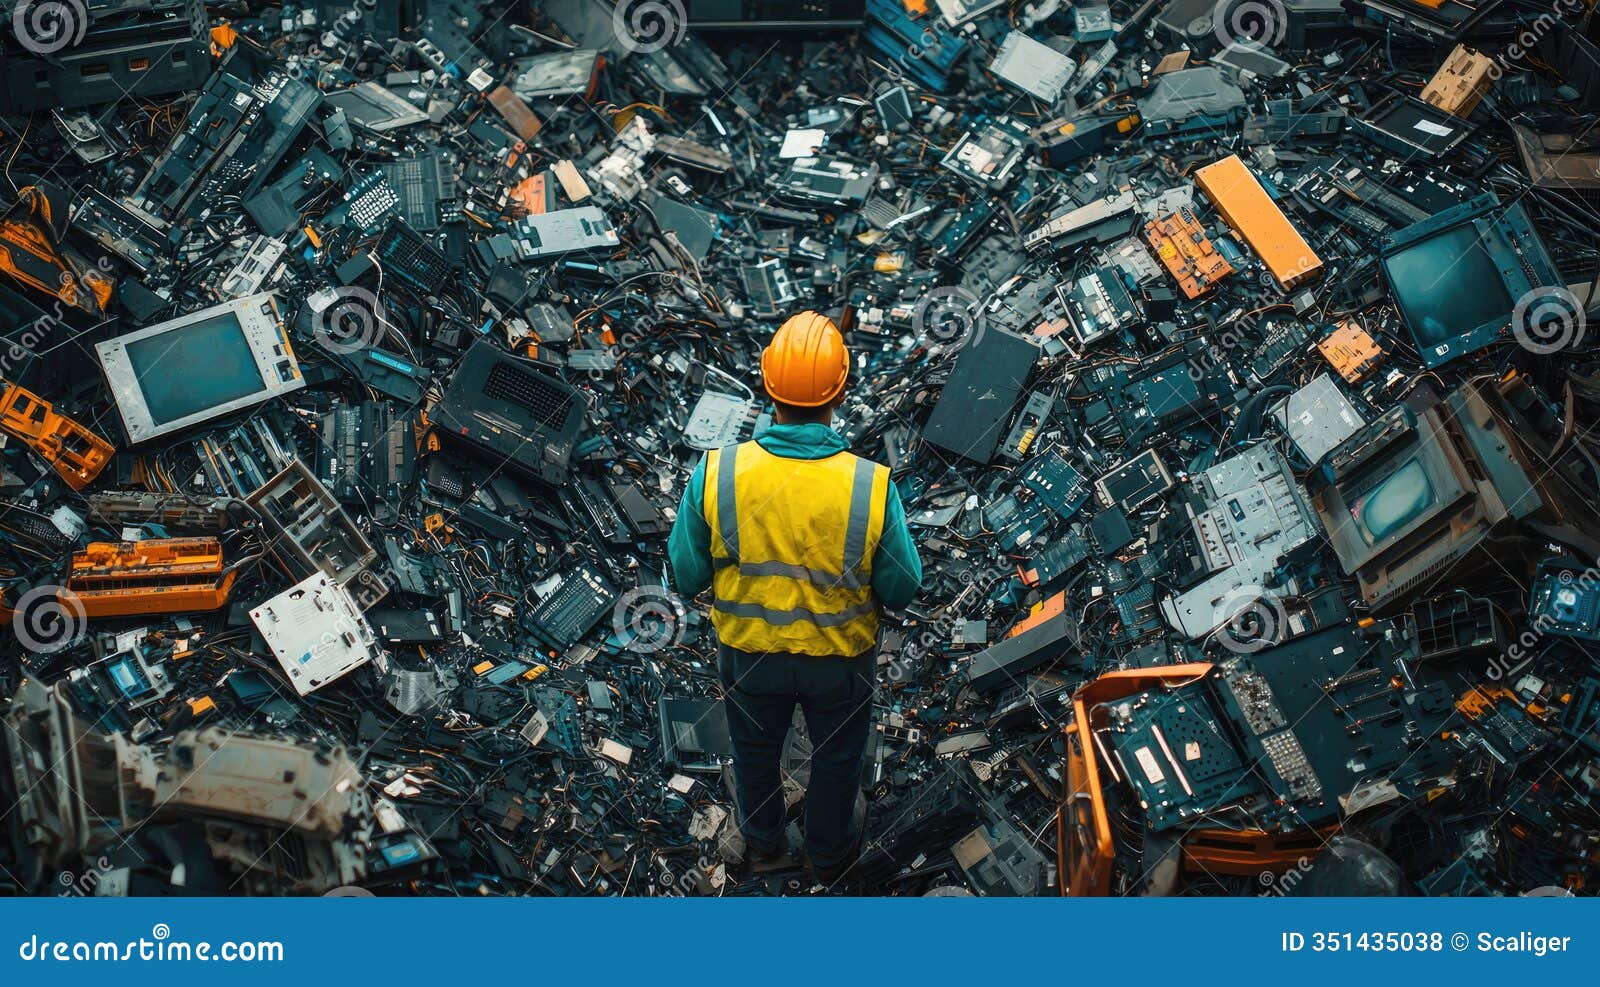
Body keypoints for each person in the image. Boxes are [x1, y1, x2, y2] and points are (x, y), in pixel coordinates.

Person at [667, 310, 922, 886]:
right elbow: (903, 585)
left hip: (749, 656)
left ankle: (765, 844)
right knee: (837, 757)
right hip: (840, 661)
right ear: (841, 388)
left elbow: (685, 575)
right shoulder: (869, 484)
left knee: (755, 753)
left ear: (766, 384)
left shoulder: (717, 473)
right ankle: (829, 854)